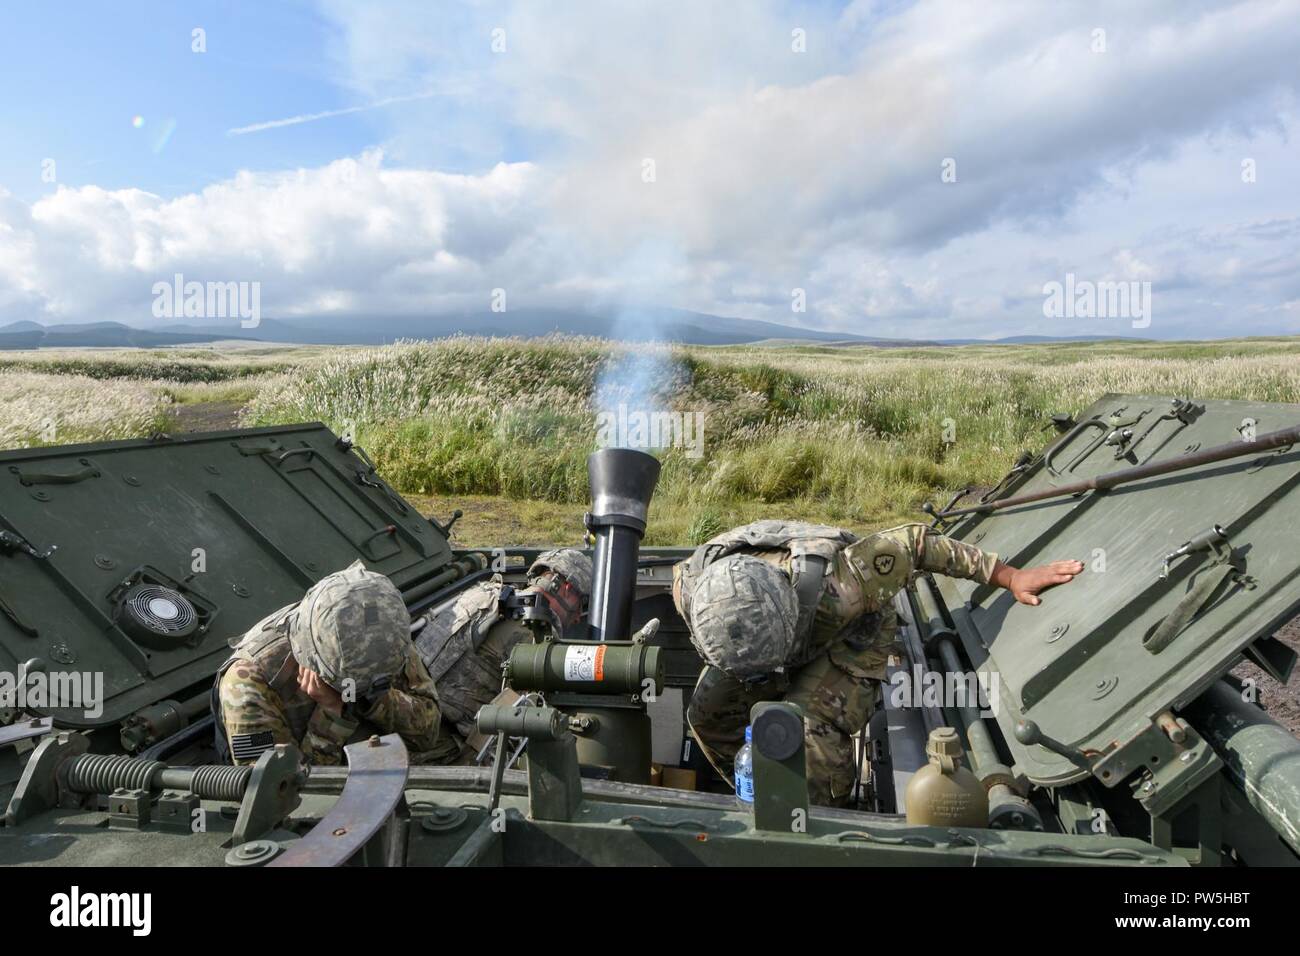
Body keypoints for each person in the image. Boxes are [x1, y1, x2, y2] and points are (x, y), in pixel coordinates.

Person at [672, 520, 1083, 806]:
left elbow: (916, 542)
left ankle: (823, 813)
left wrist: (1009, 577)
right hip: (750, 651)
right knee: (707, 714)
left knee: (809, 735)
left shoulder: (843, 587)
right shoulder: (692, 593)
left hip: (850, 637)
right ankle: (758, 794)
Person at [216, 560, 457, 766]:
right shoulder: (247, 683)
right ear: (312, 656)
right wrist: (331, 712)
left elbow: (428, 733)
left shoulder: (384, 637)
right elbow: (276, 792)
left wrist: (375, 698)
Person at [414, 549, 592, 761]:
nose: (578, 617)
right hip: (441, 749)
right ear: (566, 589)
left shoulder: (483, 592)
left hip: (408, 717)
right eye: (581, 604)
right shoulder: (535, 632)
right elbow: (533, 716)